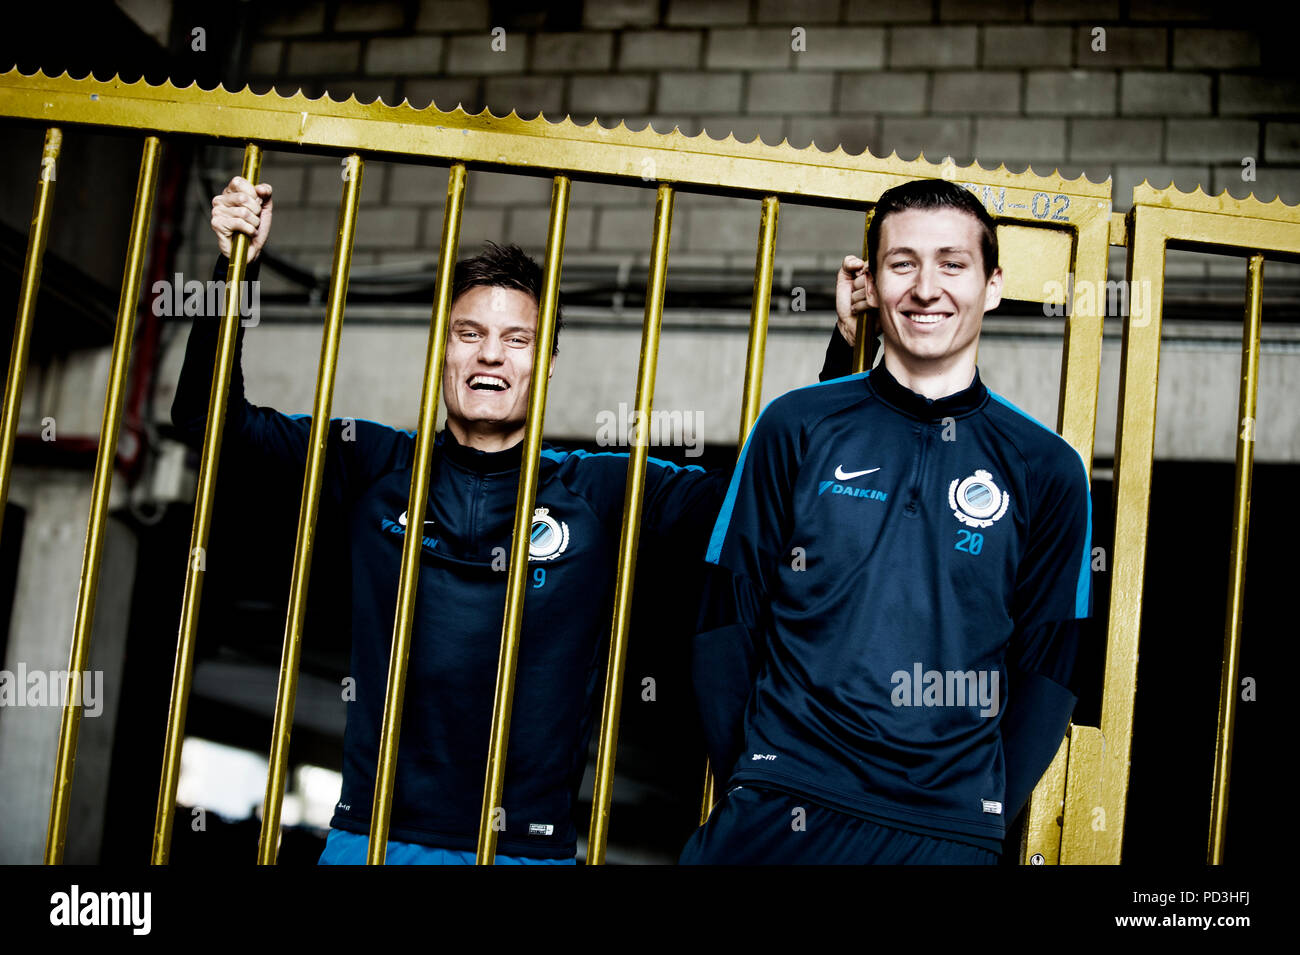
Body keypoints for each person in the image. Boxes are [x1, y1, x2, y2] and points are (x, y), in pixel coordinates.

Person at [172, 175, 858, 864]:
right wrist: (235, 266)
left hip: (527, 851)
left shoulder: (597, 491)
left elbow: (777, 503)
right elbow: (209, 421)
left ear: (548, 362)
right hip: (371, 841)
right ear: (442, 348)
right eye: (469, 333)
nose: (491, 354)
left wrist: (849, 353)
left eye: (516, 339)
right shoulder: (374, 465)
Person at [680, 178, 1093, 865]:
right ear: (871, 281)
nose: (926, 287)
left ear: (993, 284)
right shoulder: (796, 425)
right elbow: (726, 615)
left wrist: (974, 815)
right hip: (778, 809)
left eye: (952, 264)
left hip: (944, 834)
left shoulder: (1048, 469)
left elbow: (1049, 668)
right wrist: (759, 774)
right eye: (903, 263)